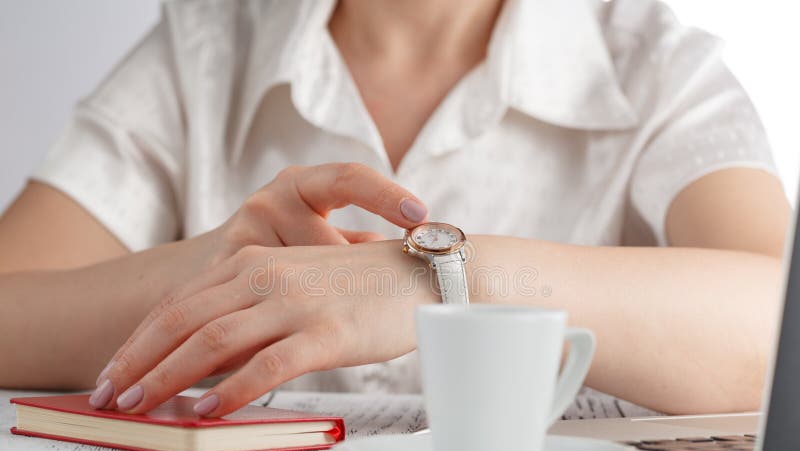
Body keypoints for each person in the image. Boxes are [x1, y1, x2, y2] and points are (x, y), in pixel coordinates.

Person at [0, 0, 789, 418]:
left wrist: (441, 281)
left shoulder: (655, 66)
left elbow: (780, 320)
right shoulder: (203, 47)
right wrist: (213, 274)